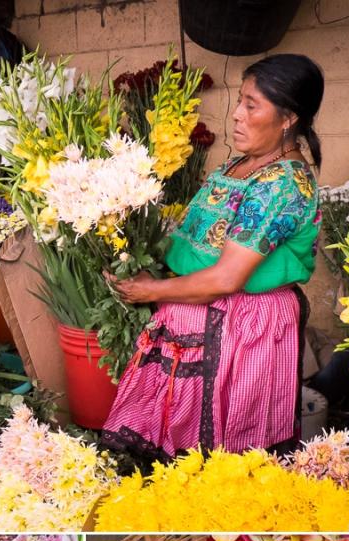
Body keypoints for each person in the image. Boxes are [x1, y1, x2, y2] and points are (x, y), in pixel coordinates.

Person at [101, 53, 324, 462]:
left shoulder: (282, 185)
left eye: (251, 105)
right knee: (168, 459)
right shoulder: (243, 163)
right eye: (239, 101)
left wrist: (151, 289)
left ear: (289, 117)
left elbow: (226, 279)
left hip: (240, 332)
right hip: (190, 320)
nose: (236, 115)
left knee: (219, 459)